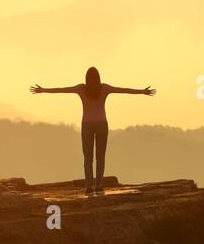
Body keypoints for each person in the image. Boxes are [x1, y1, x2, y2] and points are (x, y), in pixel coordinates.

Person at [30, 67, 155, 195]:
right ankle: (99, 186)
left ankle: (89, 187)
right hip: (102, 124)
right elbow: (123, 90)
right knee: (100, 157)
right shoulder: (104, 88)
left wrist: (43, 90)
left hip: (87, 125)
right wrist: (142, 92)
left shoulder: (81, 88)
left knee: (87, 158)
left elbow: (62, 90)